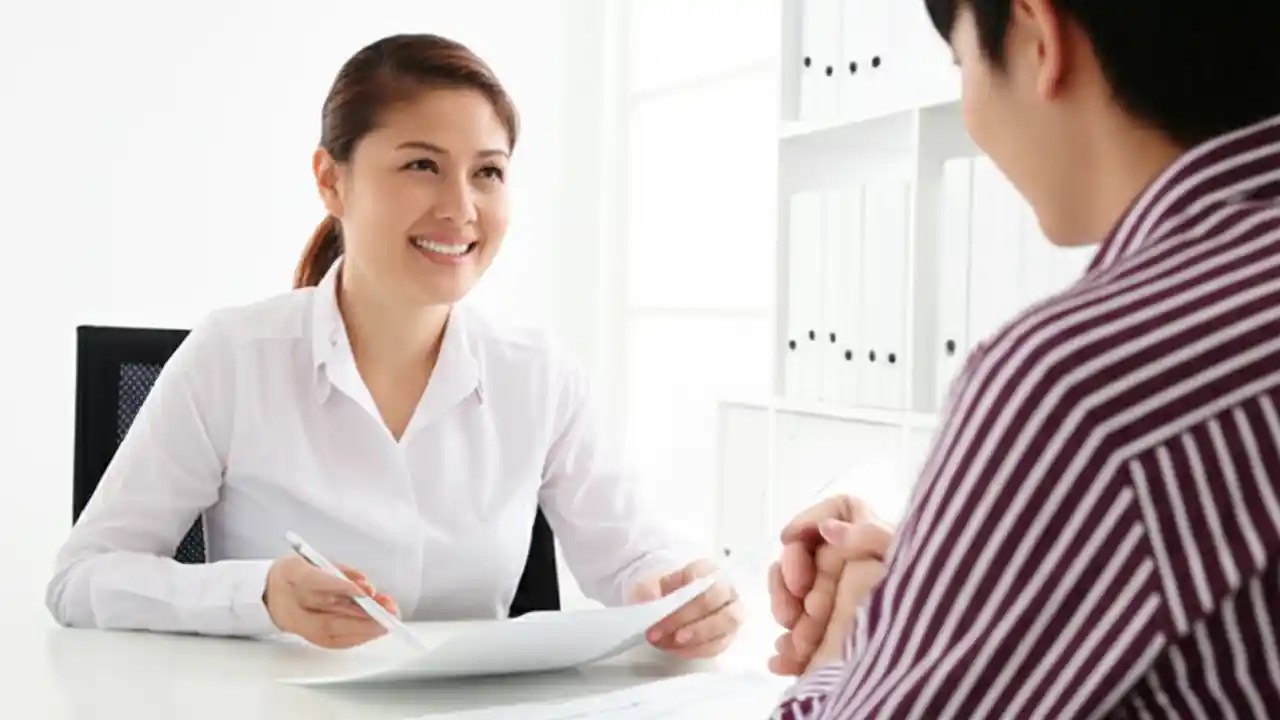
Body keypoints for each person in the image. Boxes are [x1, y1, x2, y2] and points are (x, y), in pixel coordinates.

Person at [45, 33, 741, 658]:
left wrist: (683, 591)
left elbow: (633, 561)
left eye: (488, 172)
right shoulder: (233, 356)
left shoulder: (538, 375)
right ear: (330, 179)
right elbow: (83, 579)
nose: (461, 207)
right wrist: (261, 597)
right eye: (421, 166)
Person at [766, 0, 1280, 717]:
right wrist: (941, 580)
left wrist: (851, 639)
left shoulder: (1079, 383)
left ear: (1038, 33)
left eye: (962, 63)